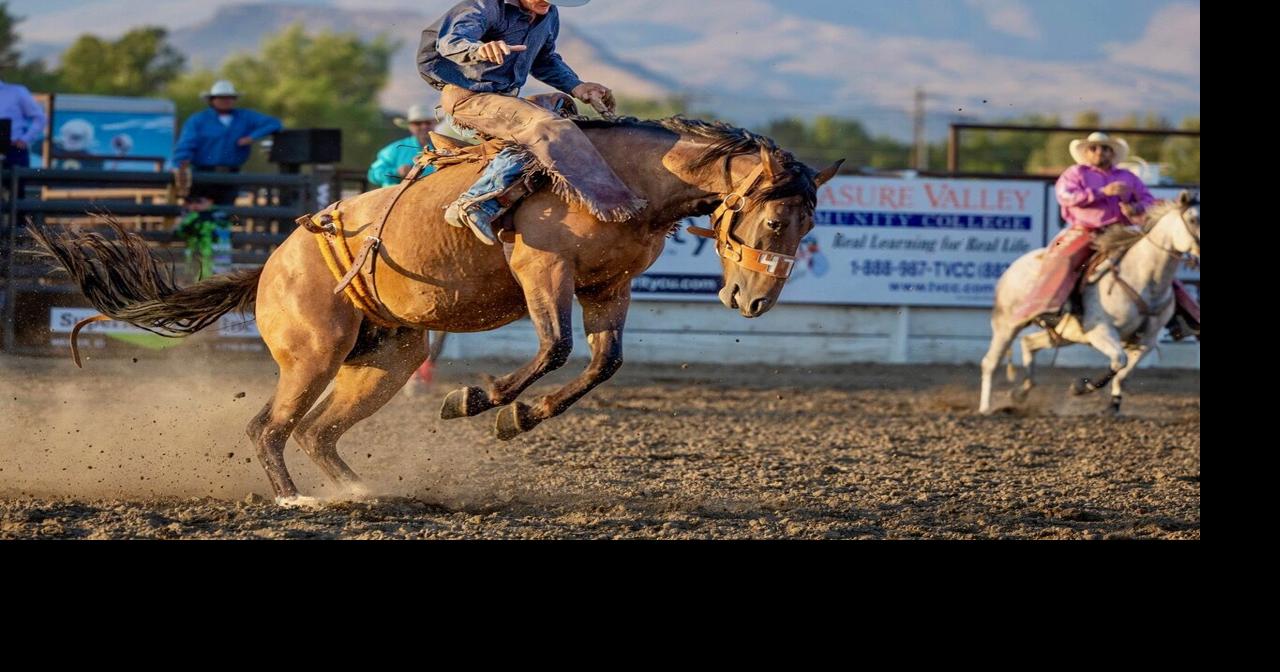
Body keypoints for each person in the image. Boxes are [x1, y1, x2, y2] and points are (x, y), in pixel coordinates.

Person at [416, 0, 645, 245]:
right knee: (546, 127)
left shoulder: (548, 14)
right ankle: (477, 201)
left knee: (563, 109)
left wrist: (577, 87)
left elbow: (544, 59)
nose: (547, 2)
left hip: (502, 99)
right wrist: (478, 50)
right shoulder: (485, 6)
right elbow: (450, 41)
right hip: (468, 96)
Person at [1015, 131, 1199, 340]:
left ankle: (1187, 317)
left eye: (1105, 148)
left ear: (1112, 153)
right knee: (1063, 258)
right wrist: (1103, 192)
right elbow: (1066, 196)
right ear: (1086, 152)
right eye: (1094, 148)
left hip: (1120, 231)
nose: (1099, 152)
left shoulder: (1128, 177)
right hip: (1085, 229)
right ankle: (1047, 307)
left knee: (1156, 265)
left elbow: (1149, 200)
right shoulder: (1076, 173)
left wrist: (1135, 208)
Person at [172, 80, 282, 205]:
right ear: (212, 100)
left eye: (230, 98)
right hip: (203, 173)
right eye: (221, 98)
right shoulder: (198, 120)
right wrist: (180, 163)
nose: (226, 101)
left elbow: (274, 123)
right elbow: (186, 144)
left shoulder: (245, 117)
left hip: (231, 173)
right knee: (200, 210)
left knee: (226, 210)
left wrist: (251, 137)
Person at [367, 104, 439, 188]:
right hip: (397, 198)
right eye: (418, 123)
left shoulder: (443, 149)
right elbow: (373, 174)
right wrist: (397, 172)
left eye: (427, 122)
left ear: (434, 124)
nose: (424, 126)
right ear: (410, 126)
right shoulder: (394, 149)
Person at [0, 77, 45, 168]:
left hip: (13, 150)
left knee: (16, 180)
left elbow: (40, 117)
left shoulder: (16, 92)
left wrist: (24, 139)